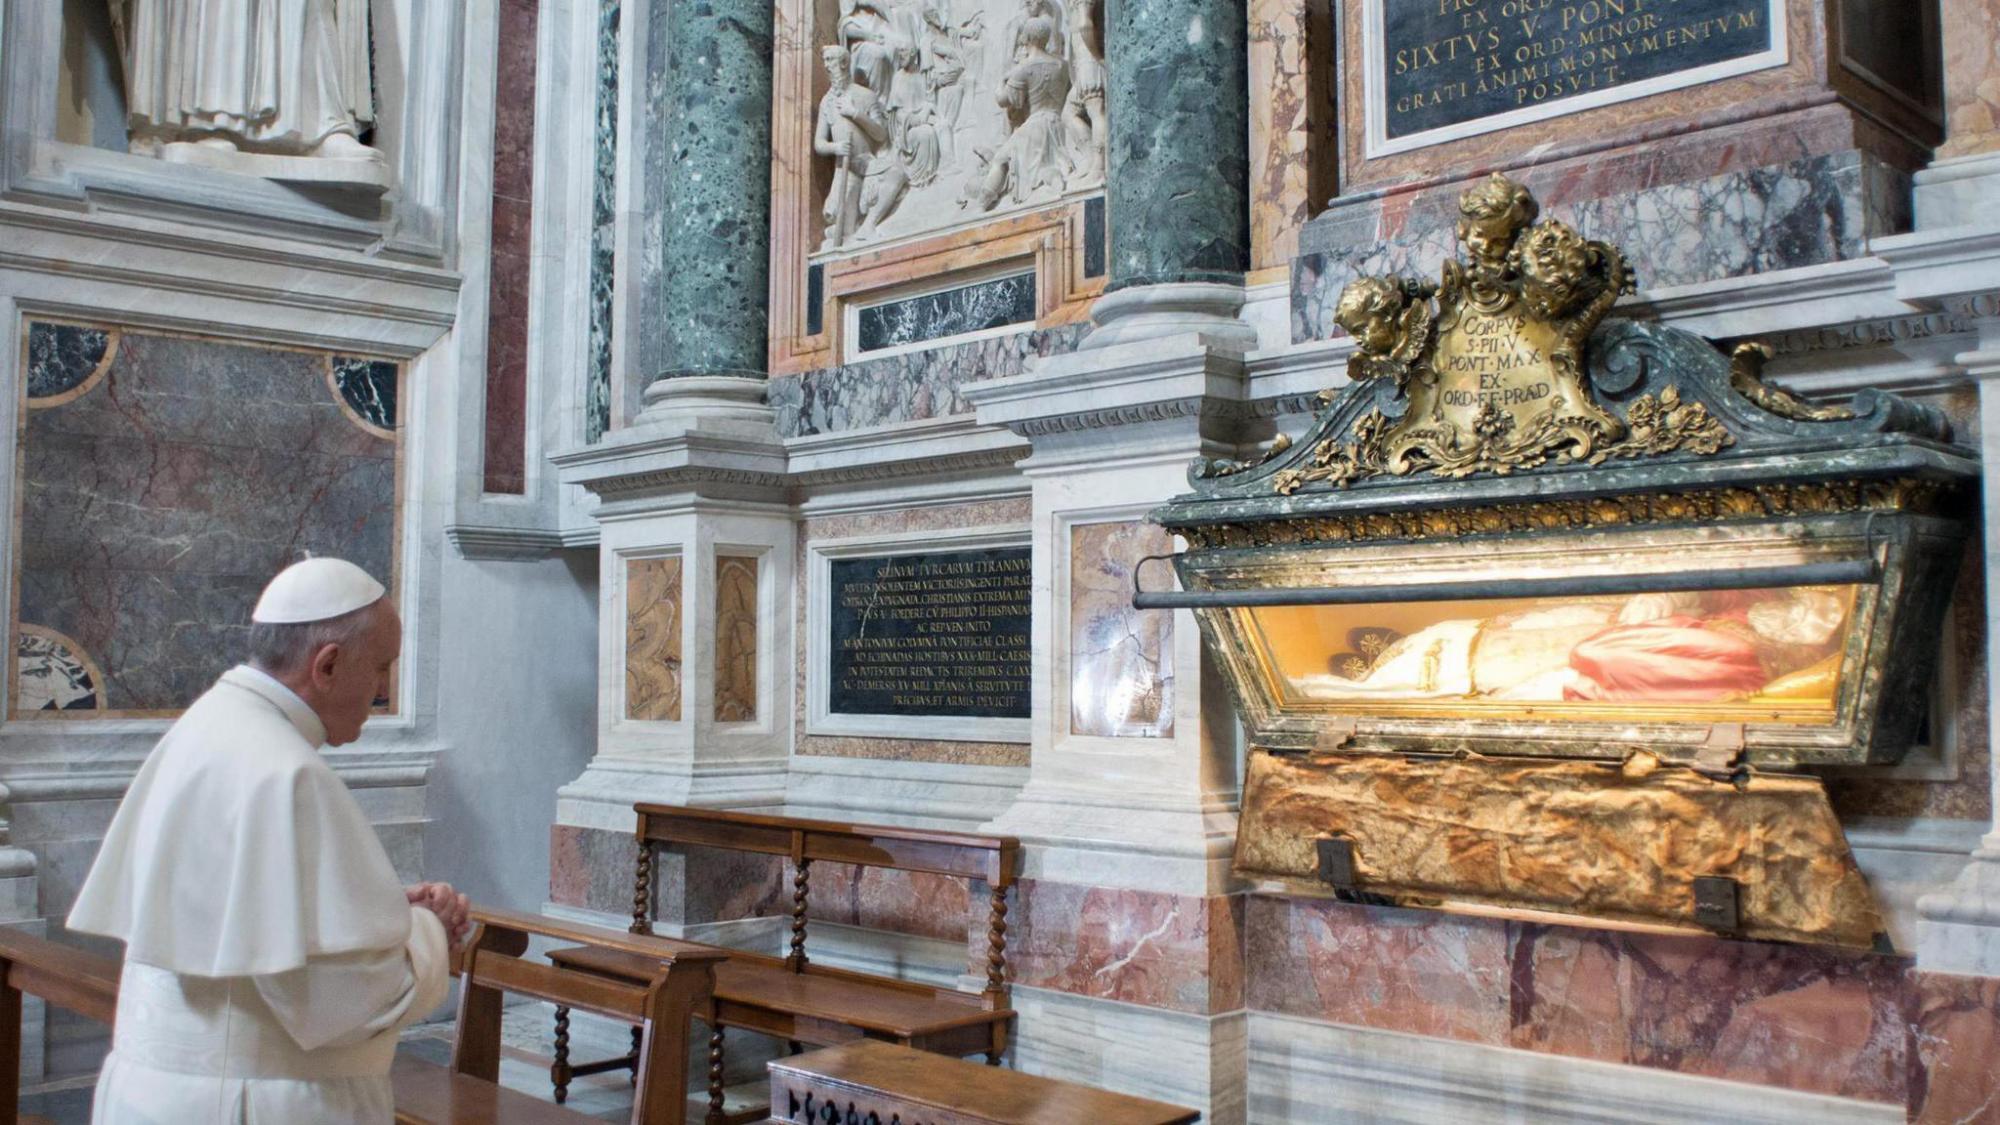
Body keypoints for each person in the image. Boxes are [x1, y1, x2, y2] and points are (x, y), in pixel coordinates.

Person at [69, 557, 470, 1124]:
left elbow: (255, 913)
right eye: (381, 667)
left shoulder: (207, 727)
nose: (383, 692)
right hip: (252, 1102)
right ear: (327, 665)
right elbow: (339, 1005)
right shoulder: (285, 771)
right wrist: (433, 931)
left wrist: (374, 914)